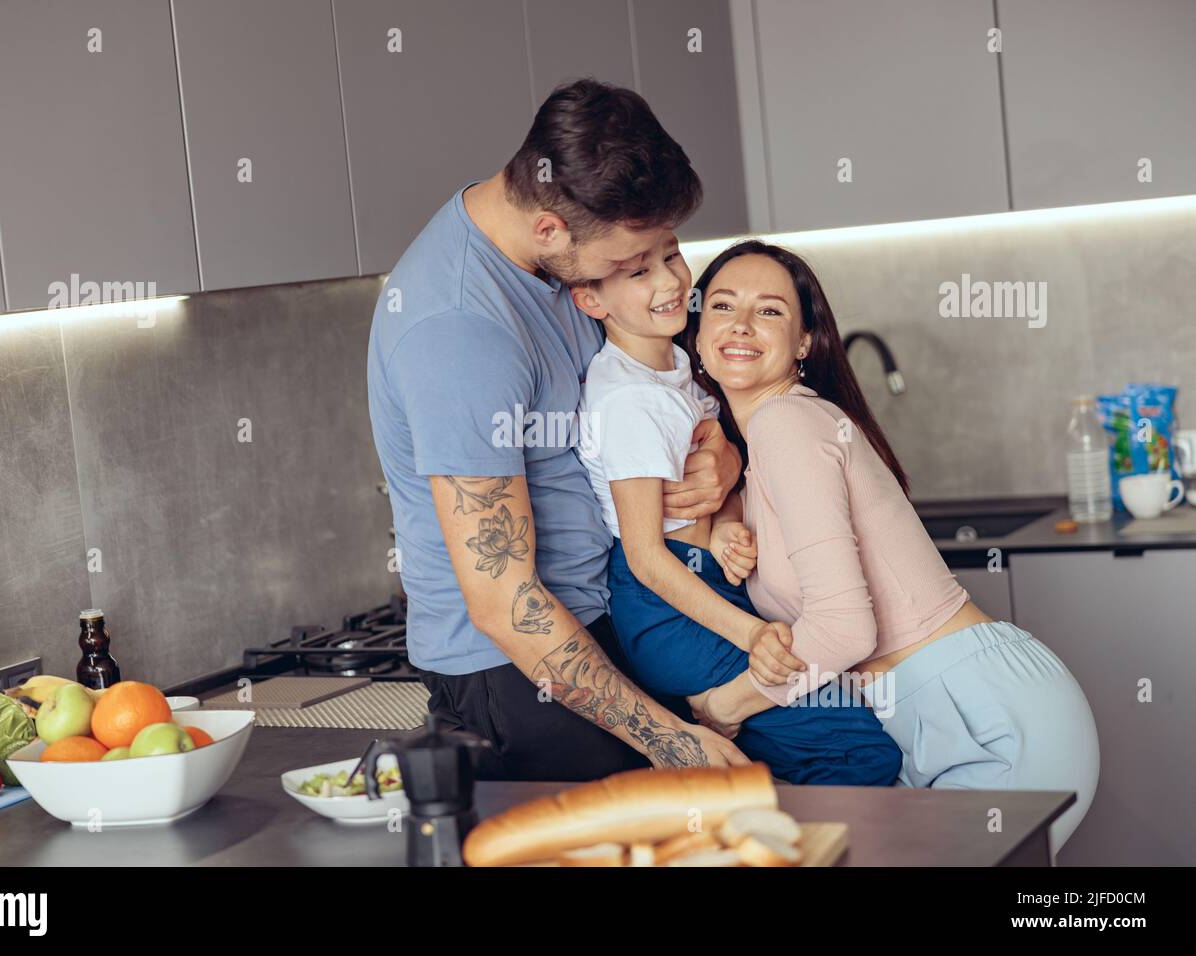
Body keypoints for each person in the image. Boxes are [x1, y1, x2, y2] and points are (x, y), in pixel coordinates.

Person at [367, 80, 747, 780]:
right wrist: (667, 740)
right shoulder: (457, 330)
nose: (643, 277)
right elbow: (503, 601)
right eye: (624, 266)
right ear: (551, 229)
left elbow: (659, 390)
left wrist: (717, 452)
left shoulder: (559, 252)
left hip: (612, 617)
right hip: (515, 671)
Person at [682, 240, 1101, 854]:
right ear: (698, 331)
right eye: (722, 305)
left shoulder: (787, 424)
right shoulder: (770, 440)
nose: (741, 324)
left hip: (985, 720)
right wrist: (723, 519)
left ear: (805, 342)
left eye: (769, 311)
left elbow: (845, 629)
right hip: (927, 714)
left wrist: (722, 706)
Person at [570, 229, 903, 785]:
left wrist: (725, 524)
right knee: (856, 751)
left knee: (795, 752)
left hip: (701, 588)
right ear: (591, 300)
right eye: (638, 272)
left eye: (671, 256)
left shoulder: (675, 368)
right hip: (667, 606)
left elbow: (713, 484)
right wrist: (750, 634)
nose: (670, 280)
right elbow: (647, 556)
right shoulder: (631, 400)